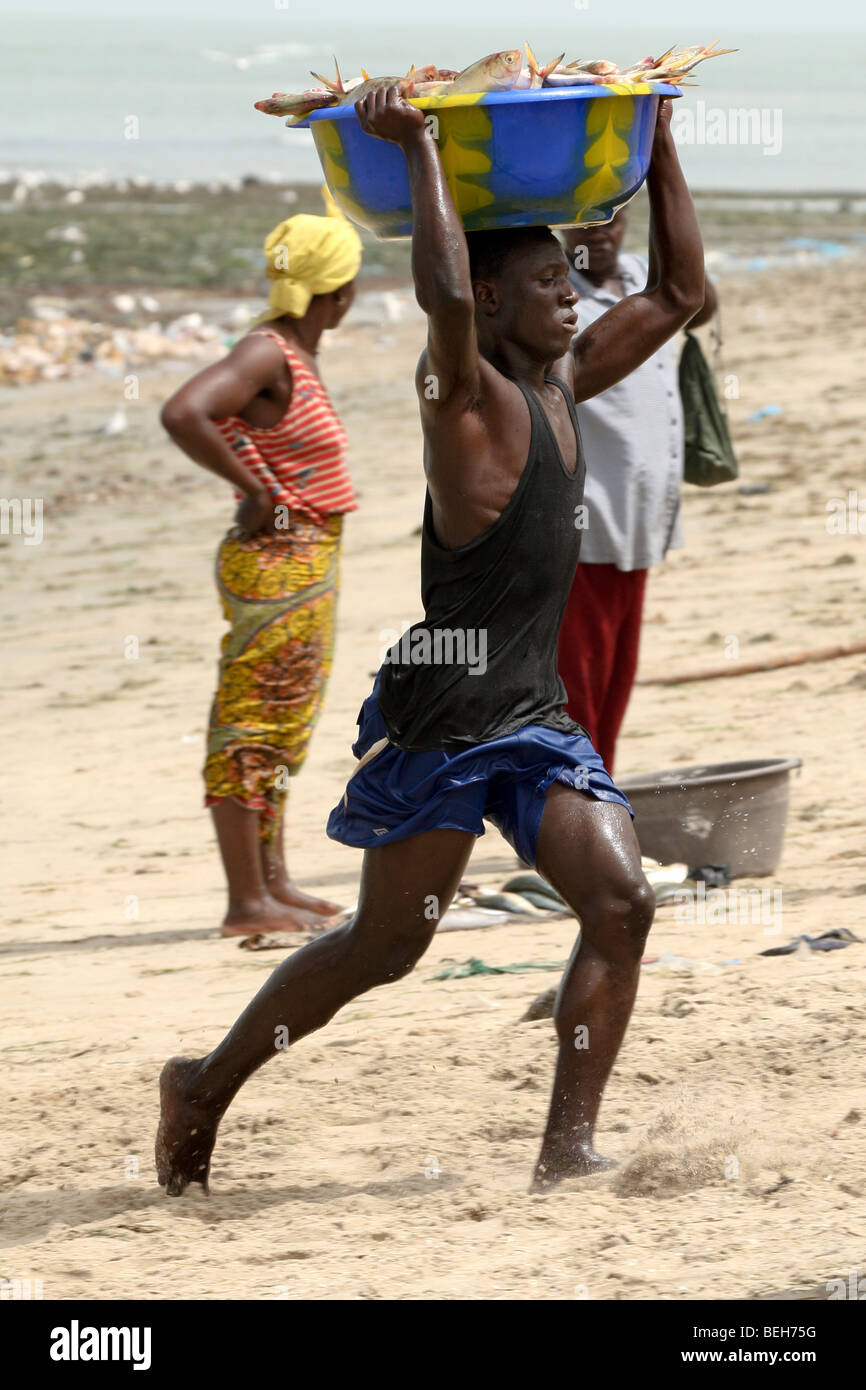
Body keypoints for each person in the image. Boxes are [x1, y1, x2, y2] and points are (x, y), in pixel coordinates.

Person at [156, 88, 705, 1195]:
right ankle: (205, 1085)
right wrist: (417, 149)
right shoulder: (461, 393)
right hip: (448, 715)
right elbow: (445, 293)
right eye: (548, 285)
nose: (572, 297)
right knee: (384, 948)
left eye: (570, 281)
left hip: (532, 717)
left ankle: (565, 1152)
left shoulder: (562, 383)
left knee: (620, 900)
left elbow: (680, 292)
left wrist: (657, 140)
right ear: (496, 300)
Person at [160, 192, 361, 936]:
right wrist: (255, 492)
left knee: (283, 724)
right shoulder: (267, 351)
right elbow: (185, 410)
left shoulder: (292, 353)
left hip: (304, 559)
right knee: (249, 723)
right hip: (277, 562)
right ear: (337, 294)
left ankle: (274, 883)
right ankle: (246, 901)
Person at [557, 209, 717, 772]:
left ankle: (602, 803)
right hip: (588, 526)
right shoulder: (555, 297)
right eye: (583, 219)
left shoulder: (639, 279)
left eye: (611, 215)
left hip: (641, 520)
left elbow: (700, 299)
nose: (599, 231)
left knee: (616, 682)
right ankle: (580, 812)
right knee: (578, 686)